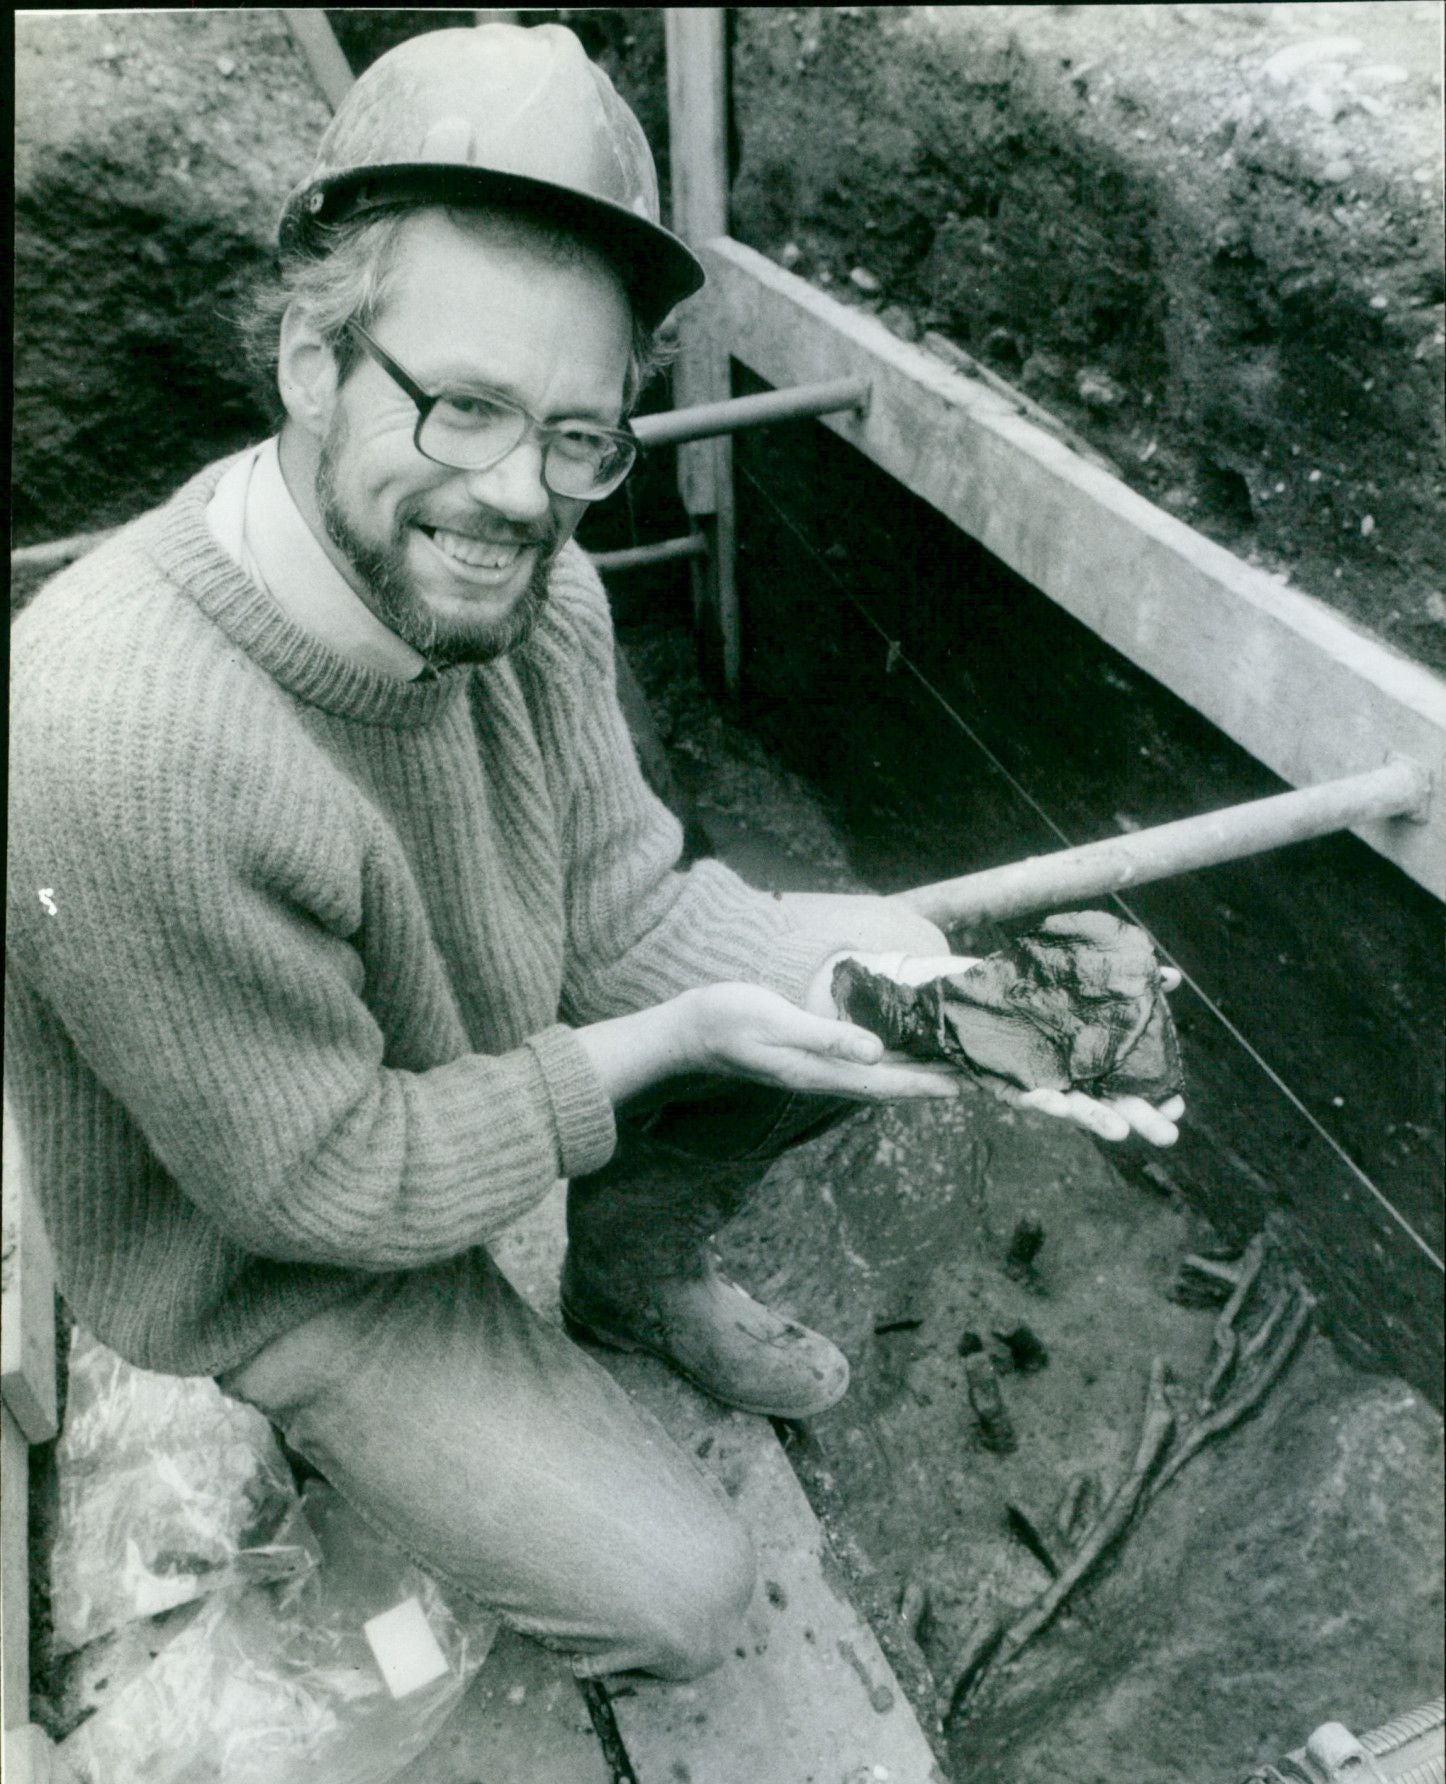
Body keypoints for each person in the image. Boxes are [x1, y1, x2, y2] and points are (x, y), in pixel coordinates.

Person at [6, 23, 1183, 1682]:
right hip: (281, 1242)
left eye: (578, 435)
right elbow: (320, 1184)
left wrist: (916, 996)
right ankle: (349, 1424)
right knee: (680, 1604)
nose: (517, 497)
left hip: (460, 1089)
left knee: (860, 976)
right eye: (464, 408)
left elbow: (619, 908)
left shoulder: (534, 587)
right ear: (309, 361)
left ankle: (624, 1270)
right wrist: (667, 1041)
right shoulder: (119, 741)